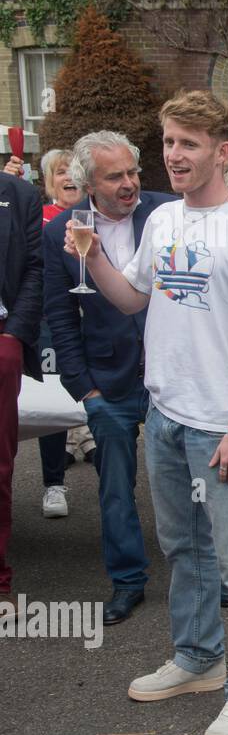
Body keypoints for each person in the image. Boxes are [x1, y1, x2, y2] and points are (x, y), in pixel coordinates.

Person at [71, 90, 228, 735]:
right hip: (164, 416)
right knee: (184, 548)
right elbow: (134, 298)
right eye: (167, 143)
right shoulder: (163, 221)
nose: (173, 155)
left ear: (222, 152)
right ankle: (198, 659)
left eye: (188, 144)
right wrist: (92, 256)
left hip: (218, 426)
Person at [43, 131, 179, 625]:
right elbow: (59, 315)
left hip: (170, 373)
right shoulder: (60, 230)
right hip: (109, 382)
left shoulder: (166, 212)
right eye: (115, 176)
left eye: (132, 172)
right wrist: (85, 389)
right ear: (87, 183)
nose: (129, 184)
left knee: (188, 483)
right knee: (116, 488)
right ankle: (127, 581)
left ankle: (204, 577)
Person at [13, 148, 87, 518]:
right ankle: (54, 483)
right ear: (47, 181)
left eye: (74, 169)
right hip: (50, 323)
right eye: (60, 171)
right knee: (52, 400)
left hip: (95, 323)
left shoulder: (96, 216)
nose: (68, 176)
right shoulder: (39, 218)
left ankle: (116, 482)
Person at [0, 170, 44, 614]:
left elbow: (34, 268)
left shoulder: (17, 193)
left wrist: (14, 337)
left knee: (0, 464)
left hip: (1, 338)